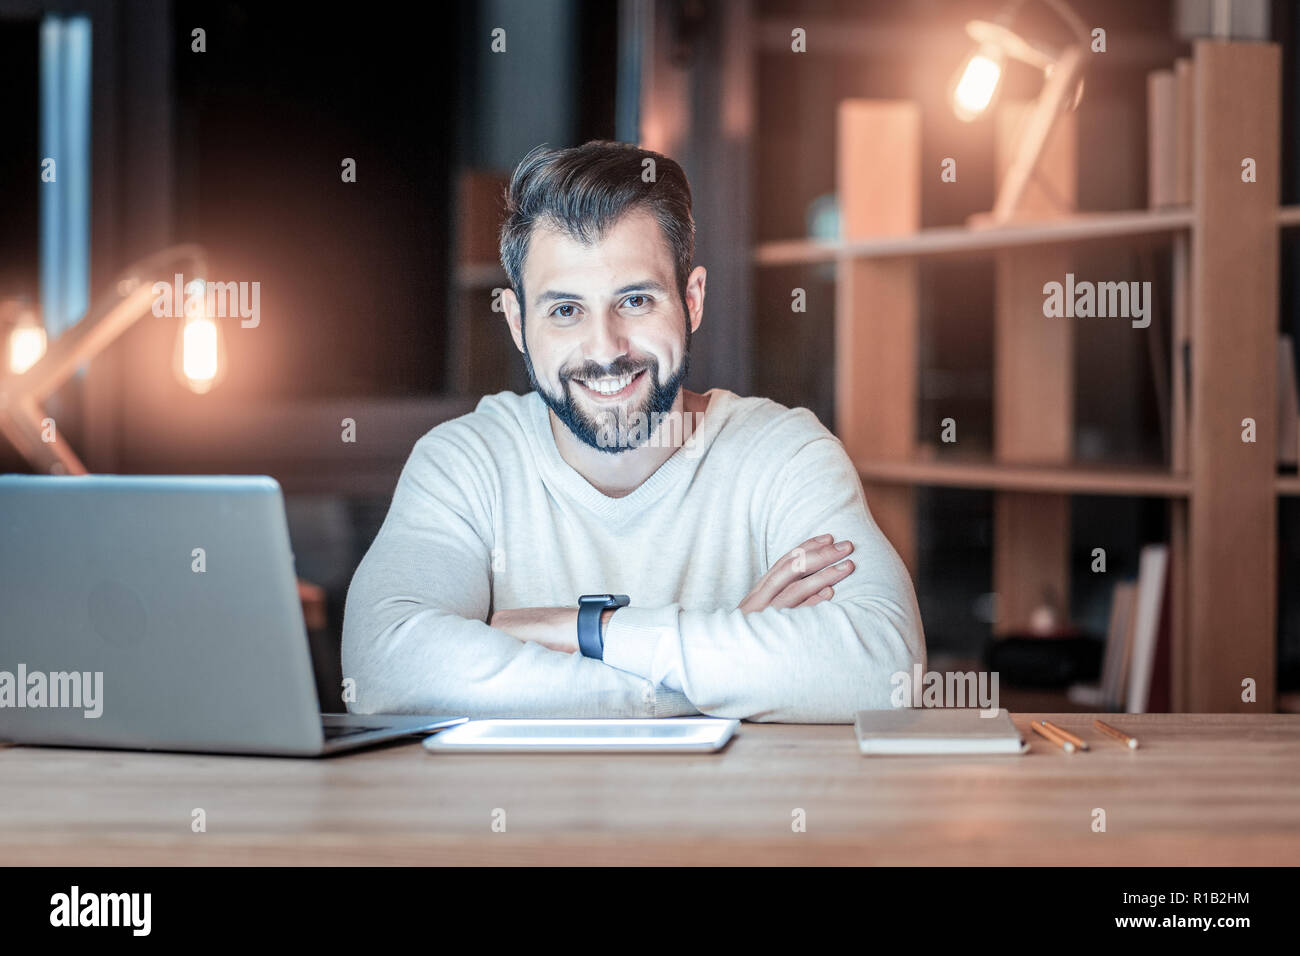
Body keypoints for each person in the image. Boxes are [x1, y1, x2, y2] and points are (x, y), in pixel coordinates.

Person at [341, 140, 924, 722]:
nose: (605, 349)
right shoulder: (464, 462)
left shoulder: (784, 454)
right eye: (565, 310)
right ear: (518, 324)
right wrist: (698, 681)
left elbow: (885, 672)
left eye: (636, 300)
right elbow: (381, 669)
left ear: (691, 301)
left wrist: (583, 630)